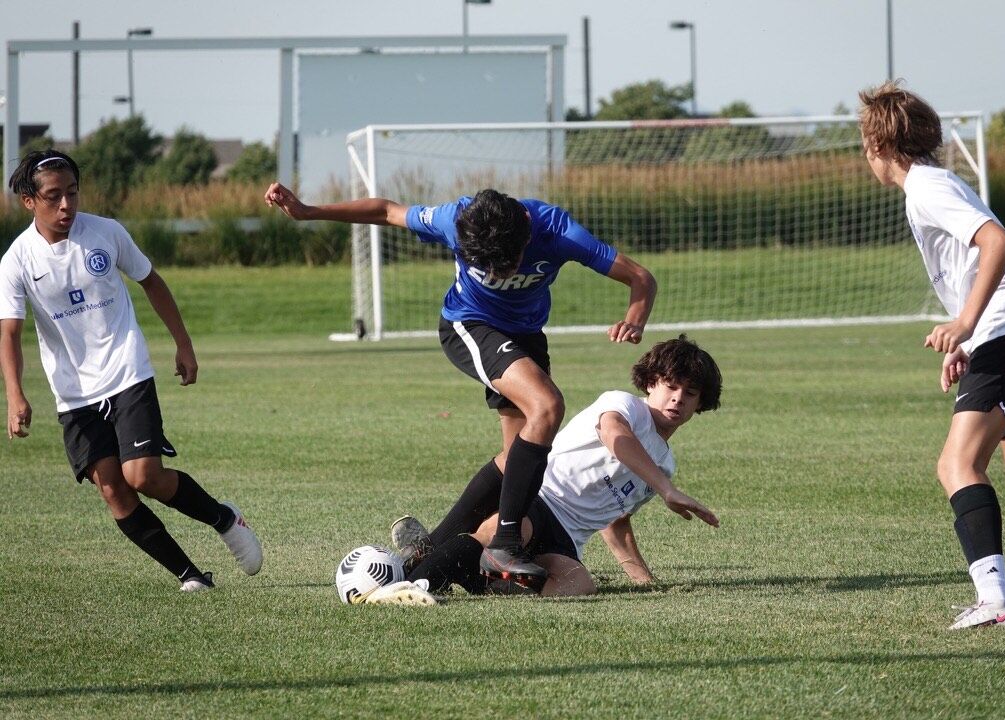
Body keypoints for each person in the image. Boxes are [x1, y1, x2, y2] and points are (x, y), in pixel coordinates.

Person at [265, 182, 656, 586]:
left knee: (517, 463)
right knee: (547, 406)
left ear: (526, 228)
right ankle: (504, 542)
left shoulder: (558, 231)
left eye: (506, 265)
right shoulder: (456, 219)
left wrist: (635, 319)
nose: (497, 275)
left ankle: (427, 554)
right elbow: (386, 211)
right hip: (469, 325)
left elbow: (641, 278)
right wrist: (308, 212)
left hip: (525, 337)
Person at [858, 82, 1005, 629]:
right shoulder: (931, 185)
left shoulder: (927, 187)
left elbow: (997, 242)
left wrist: (965, 323)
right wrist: (969, 340)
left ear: (877, 144)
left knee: (957, 464)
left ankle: (996, 601)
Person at [1, 150, 263, 592]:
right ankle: (191, 576)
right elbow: (9, 333)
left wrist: (184, 344)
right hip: (74, 394)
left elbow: (151, 282)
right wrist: (15, 394)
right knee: (114, 491)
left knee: (142, 476)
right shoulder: (16, 261)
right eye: (53, 197)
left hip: (127, 371)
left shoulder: (105, 232)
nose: (66, 205)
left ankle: (223, 518)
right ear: (29, 201)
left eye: (72, 193)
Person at [390, 335, 721, 597]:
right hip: (541, 499)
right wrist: (666, 490)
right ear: (651, 383)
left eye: (690, 393)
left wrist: (644, 579)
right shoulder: (625, 406)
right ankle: (409, 584)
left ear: (700, 403)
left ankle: (482, 580)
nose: (678, 398)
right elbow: (613, 433)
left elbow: (616, 522)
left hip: (567, 540)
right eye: (671, 386)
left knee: (579, 584)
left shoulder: (664, 465)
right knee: (500, 534)